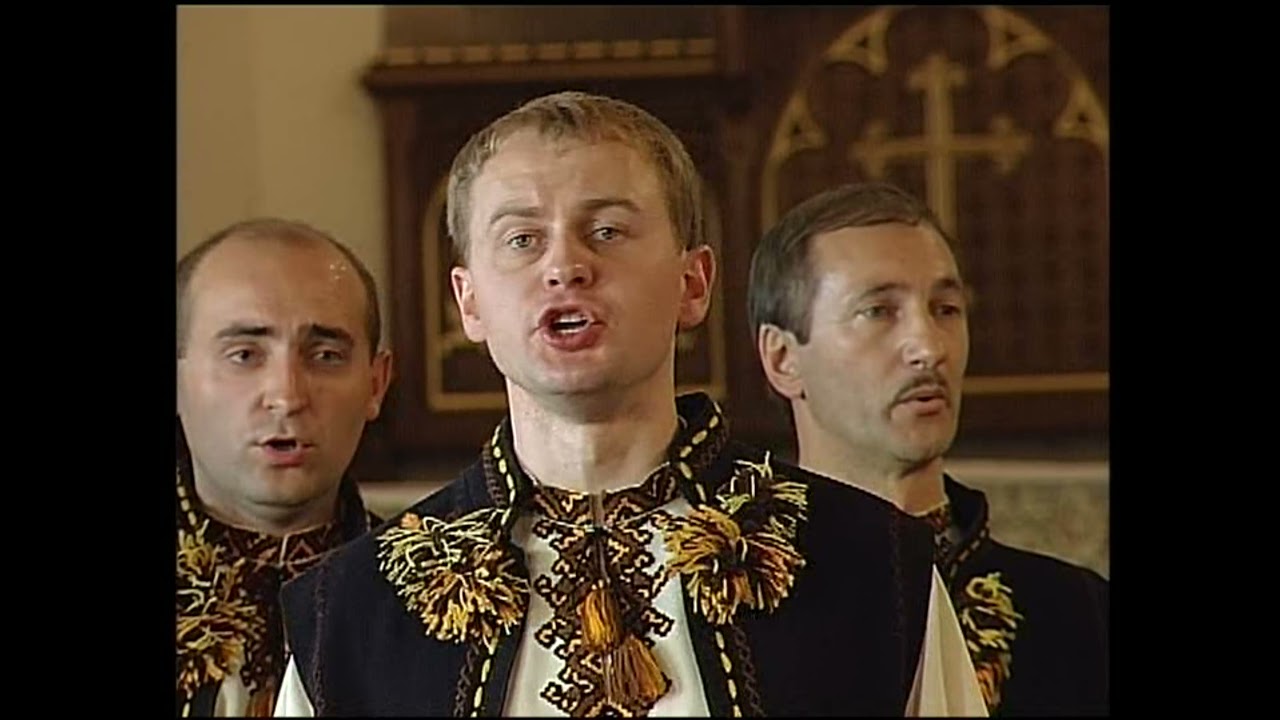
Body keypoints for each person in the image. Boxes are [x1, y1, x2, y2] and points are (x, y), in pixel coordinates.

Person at [274, 92, 985, 716]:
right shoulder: (350, 615)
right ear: (469, 303)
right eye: (522, 239)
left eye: (608, 230)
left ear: (693, 283)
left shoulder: (873, 569)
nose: (564, 266)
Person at [747, 181, 1109, 715]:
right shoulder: (740, 611)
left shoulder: (1077, 613)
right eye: (878, 311)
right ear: (783, 359)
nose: (929, 347)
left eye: (945, 309)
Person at [176, 218, 393, 716]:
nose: (287, 396)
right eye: (245, 354)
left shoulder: (433, 600)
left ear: (376, 384)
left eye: (325, 355)